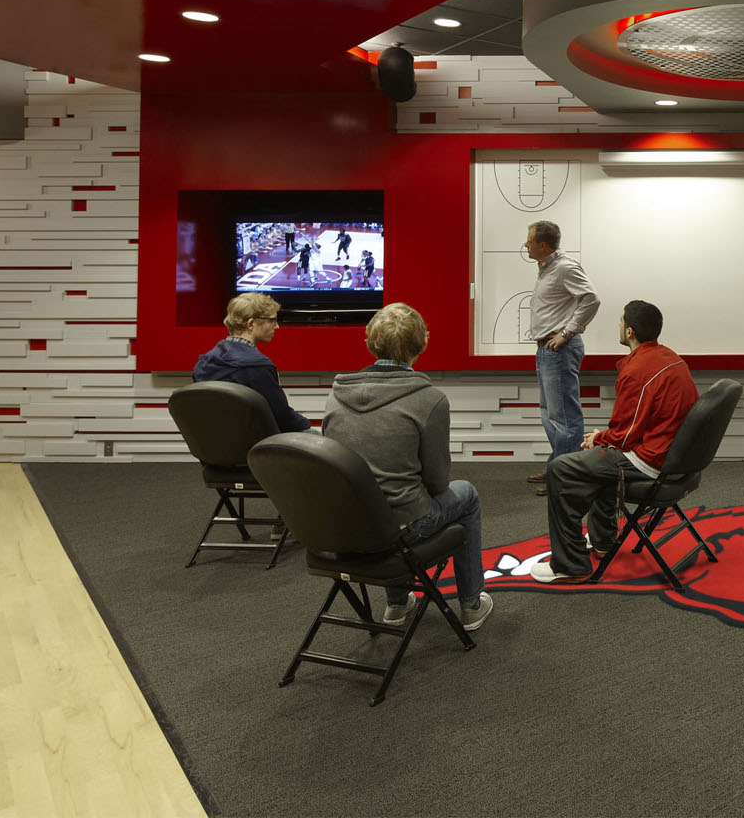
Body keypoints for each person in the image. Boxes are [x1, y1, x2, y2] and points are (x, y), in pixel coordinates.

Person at [321, 303, 492, 630]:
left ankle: (397, 605)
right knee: (466, 495)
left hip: (343, 527)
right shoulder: (430, 400)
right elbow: (438, 481)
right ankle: (471, 605)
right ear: (422, 343)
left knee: (387, 497)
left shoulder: (335, 394)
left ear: (370, 342)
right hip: (399, 529)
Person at [532, 300, 698, 584]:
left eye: (621, 322)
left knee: (562, 468)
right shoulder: (669, 357)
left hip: (651, 461)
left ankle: (570, 564)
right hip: (674, 456)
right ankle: (602, 540)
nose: (619, 326)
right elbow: (633, 427)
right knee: (597, 457)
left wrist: (599, 438)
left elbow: (622, 436)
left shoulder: (637, 371)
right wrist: (603, 439)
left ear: (630, 331)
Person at [524, 220, 600, 497]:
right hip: (547, 349)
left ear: (543, 245)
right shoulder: (548, 269)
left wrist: (568, 332)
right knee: (550, 414)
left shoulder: (565, 267)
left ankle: (567, 477)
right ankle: (558, 465)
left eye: (529, 241)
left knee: (565, 416)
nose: (526, 245)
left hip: (559, 349)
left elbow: (591, 298)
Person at [192, 293, 312, 432]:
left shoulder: (203, 364)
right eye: (272, 321)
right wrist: (307, 425)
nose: (277, 326)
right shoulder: (258, 366)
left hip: (217, 447)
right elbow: (283, 418)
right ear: (251, 324)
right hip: (259, 446)